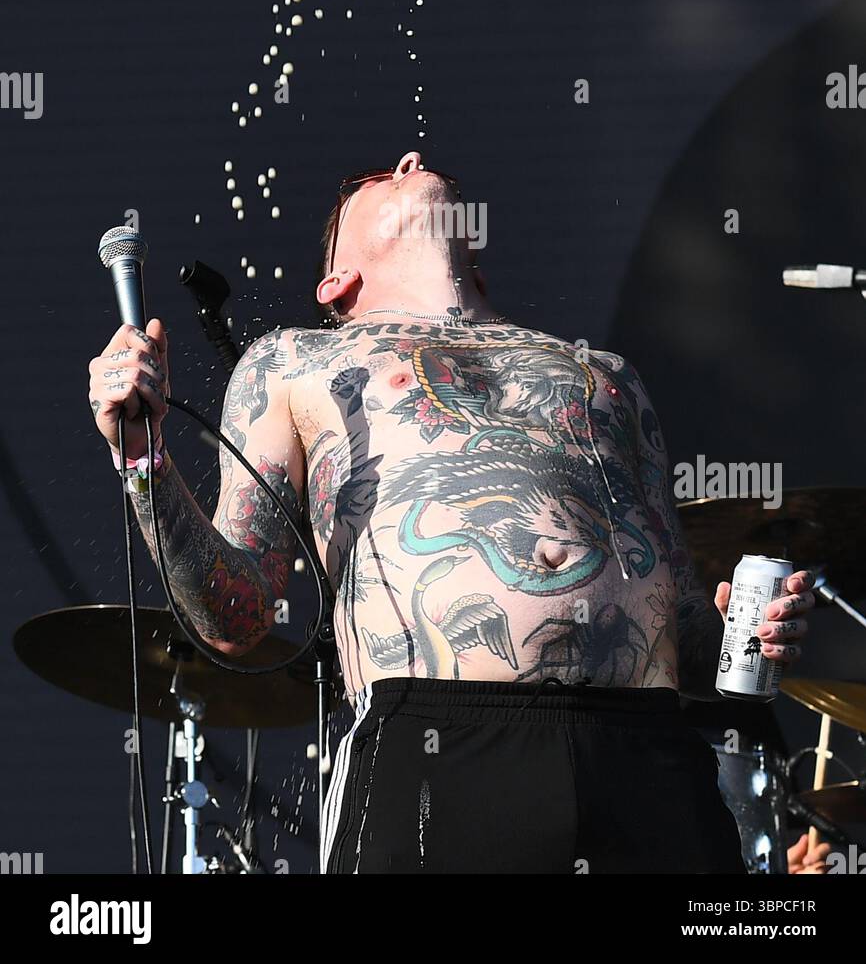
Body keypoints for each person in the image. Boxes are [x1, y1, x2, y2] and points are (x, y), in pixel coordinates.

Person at [88, 150, 815, 873]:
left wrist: (743, 637)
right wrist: (142, 459)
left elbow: (684, 633)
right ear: (337, 280)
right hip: (437, 739)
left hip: (647, 750)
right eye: (373, 178)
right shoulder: (294, 362)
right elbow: (236, 614)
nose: (409, 159)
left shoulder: (603, 372)